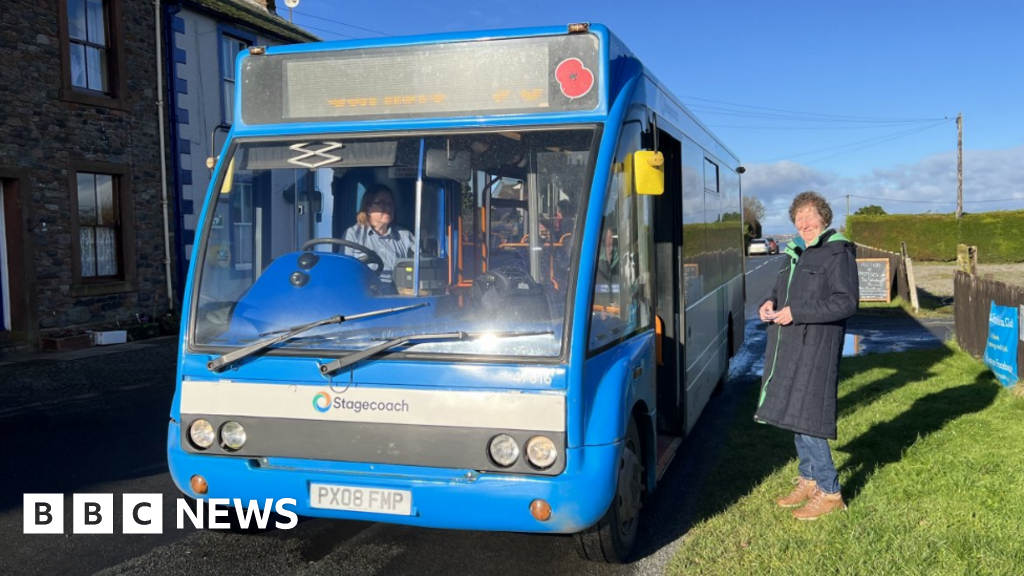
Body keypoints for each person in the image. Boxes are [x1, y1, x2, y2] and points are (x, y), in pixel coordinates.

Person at [757, 191, 859, 520]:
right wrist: (770, 303)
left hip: (817, 346)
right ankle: (809, 478)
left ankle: (830, 492)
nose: (804, 224)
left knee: (809, 415)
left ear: (824, 218)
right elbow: (781, 291)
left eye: (810, 217)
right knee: (792, 412)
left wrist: (796, 311)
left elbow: (846, 302)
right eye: (798, 219)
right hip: (789, 344)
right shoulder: (794, 253)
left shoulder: (837, 252)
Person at [343, 184, 417, 290]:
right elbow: (345, 272)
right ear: (368, 207)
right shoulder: (353, 235)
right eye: (382, 203)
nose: (388, 207)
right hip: (364, 297)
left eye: (390, 204)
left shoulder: (405, 236)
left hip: (398, 299)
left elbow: (421, 268)